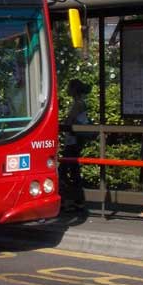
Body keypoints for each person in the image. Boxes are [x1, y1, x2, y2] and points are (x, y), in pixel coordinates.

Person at [59, 78, 90, 211]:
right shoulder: (80, 103)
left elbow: (69, 120)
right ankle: (75, 199)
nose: (67, 90)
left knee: (66, 169)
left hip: (74, 140)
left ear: (74, 90)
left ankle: (71, 199)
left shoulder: (78, 104)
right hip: (73, 140)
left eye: (69, 87)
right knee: (71, 169)